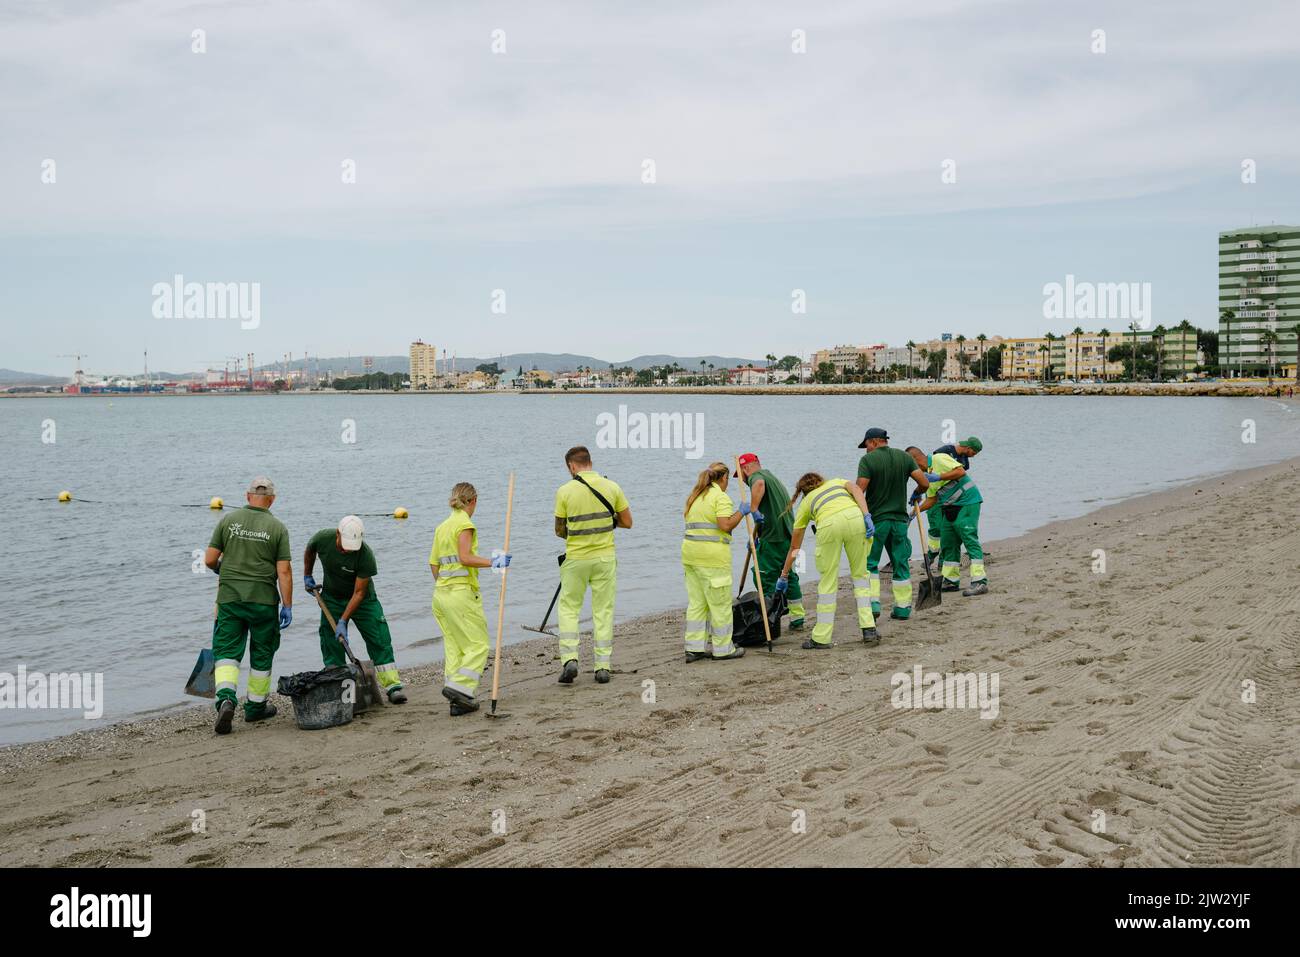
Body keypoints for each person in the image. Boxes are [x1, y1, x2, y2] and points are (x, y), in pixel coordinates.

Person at [203, 476, 292, 734]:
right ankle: (255, 708)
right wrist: (287, 605)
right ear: (272, 500)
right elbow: (284, 571)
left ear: (247, 496)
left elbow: (209, 560)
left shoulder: (228, 521)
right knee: (262, 652)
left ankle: (226, 699)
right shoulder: (277, 528)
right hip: (263, 600)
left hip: (230, 598)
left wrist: (226, 572)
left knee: (227, 651)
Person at [303, 515, 406, 705]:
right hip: (332, 598)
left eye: (350, 548)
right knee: (330, 639)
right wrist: (307, 575)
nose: (345, 550)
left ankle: (393, 686)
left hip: (363, 601)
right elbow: (310, 550)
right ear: (337, 534)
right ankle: (339, 685)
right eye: (343, 546)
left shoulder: (365, 555)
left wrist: (343, 620)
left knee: (379, 637)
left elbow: (359, 593)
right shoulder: (322, 538)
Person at [430, 483, 511, 716]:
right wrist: (495, 562)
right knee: (478, 645)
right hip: (460, 594)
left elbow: (434, 564)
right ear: (473, 500)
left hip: (441, 596)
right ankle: (460, 689)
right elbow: (465, 557)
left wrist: (444, 585)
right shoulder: (465, 524)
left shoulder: (442, 526)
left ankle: (457, 701)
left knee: (455, 647)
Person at [553, 446, 631, 684]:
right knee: (603, 611)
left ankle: (569, 659)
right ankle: (603, 666)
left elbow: (559, 530)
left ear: (572, 466)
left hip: (576, 558)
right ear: (590, 462)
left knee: (568, 608)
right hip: (604, 558)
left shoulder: (564, 491)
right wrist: (607, 523)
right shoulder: (612, 486)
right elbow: (627, 522)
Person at [775, 473, 879, 648]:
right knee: (861, 576)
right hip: (855, 519)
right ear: (821, 481)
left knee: (828, 582)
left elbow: (795, 548)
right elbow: (856, 489)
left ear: (803, 491)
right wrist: (866, 515)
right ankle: (869, 629)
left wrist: (784, 574)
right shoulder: (837, 482)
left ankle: (821, 638)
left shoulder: (807, 503)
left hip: (828, 527)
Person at [855, 428, 930, 620]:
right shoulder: (904, 457)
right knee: (900, 562)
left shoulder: (868, 461)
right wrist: (918, 492)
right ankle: (903, 608)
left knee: (870, 563)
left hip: (877, 520)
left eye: (866, 446)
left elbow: (859, 490)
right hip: (899, 520)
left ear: (873, 442)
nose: (866, 450)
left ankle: (873, 603)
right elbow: (924, 482)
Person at [681, 462, 749, 662]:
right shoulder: (720, 497)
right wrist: (741, 512)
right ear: (723, 478)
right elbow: (725, 525)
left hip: (690, 556)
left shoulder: (696, 496)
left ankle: (694, 648)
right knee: (720, 605)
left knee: (697, 603)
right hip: (712, 558)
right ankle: (723, 648)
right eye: (728, 479)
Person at [906, 446, 988, 596]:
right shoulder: (926, 476)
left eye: (909, 467)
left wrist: (938, 477)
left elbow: (960, 471)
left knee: (969, 538)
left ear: (915, 460)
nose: (911, 473)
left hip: (968, 502)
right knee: (948, 543)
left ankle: (980, 581)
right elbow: (932, 499)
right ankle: (951, 581)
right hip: (950, 507)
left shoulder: (939, 458)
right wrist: (912, 513)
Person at [736, 453, 805, 629]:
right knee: (788, 575)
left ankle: (770, 619)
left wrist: (753, 509)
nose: (743, 481)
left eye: (741, 476)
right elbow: (772, 509)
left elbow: (758, 484)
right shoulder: (771, 476)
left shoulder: (756, 477)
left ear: (746, 468)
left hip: (774, 539)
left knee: (764, 576)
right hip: (787, 535)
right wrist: (757, 536)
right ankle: (797, 618)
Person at [924, 437, 983, 565]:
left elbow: (959, 476)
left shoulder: (964, 459)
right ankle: (931, 554)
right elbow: (930, 467)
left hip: (951, 498)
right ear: (968, 448)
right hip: (935, 492)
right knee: (935, 526)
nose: (973, 456)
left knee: (948, 529)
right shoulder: (944, 452)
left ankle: (943, 559)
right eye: (973, 453)